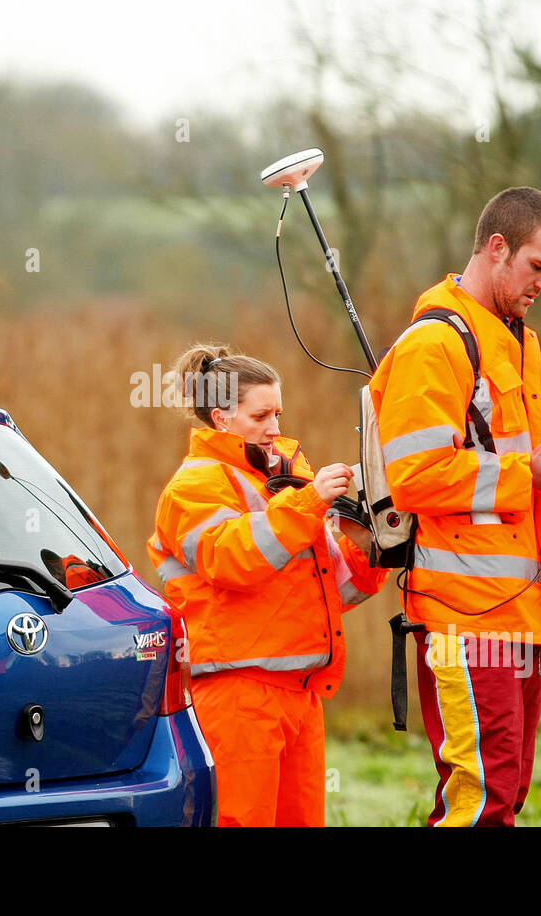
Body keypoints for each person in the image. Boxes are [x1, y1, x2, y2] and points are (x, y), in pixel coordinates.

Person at [368, 187, 541, 827]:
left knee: (504, 798)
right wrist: (534, 472)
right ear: (497, 248)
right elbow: (415, 478)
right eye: (539, 267)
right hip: (464, 619)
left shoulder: (520, 344)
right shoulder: (433, 345)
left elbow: (515, 474)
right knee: (481, 804)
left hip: (522, 615)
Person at [146, 344, 387, 826]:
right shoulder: (193, 486)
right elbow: (232, 559)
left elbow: (332, 590)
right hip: (238, 696)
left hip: (300, 695)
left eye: (278, 412)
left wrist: (374, 544)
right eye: (261, 415)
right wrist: (308, 503)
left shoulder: (289, 485)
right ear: (220, 418)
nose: (275, 427)